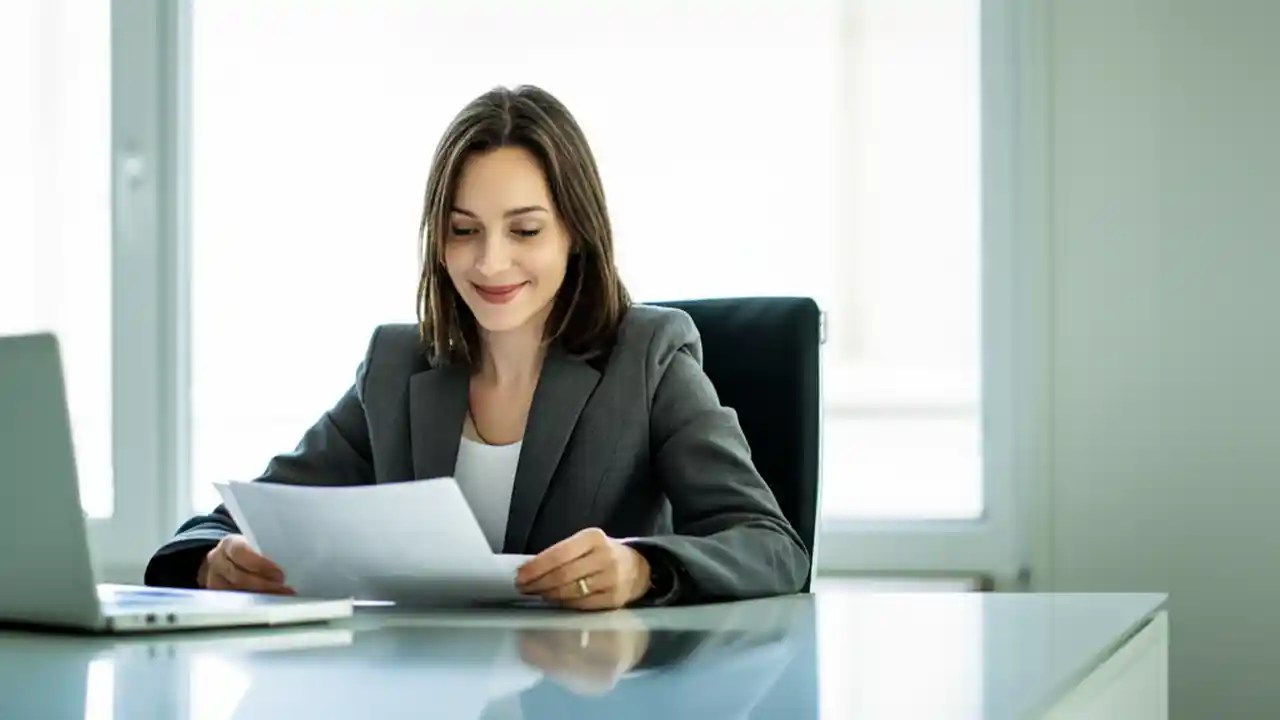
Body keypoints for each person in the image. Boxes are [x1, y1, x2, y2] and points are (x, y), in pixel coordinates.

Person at [144, 85, 809, 609]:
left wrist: (644, 567)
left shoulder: (648, 356)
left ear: (574, 233)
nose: (491, 263)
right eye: (465, 231)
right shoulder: (395, 368)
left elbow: (770, 545)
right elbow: (238, 518)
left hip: (591, 696)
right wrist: (212, 559)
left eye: (524, 231)